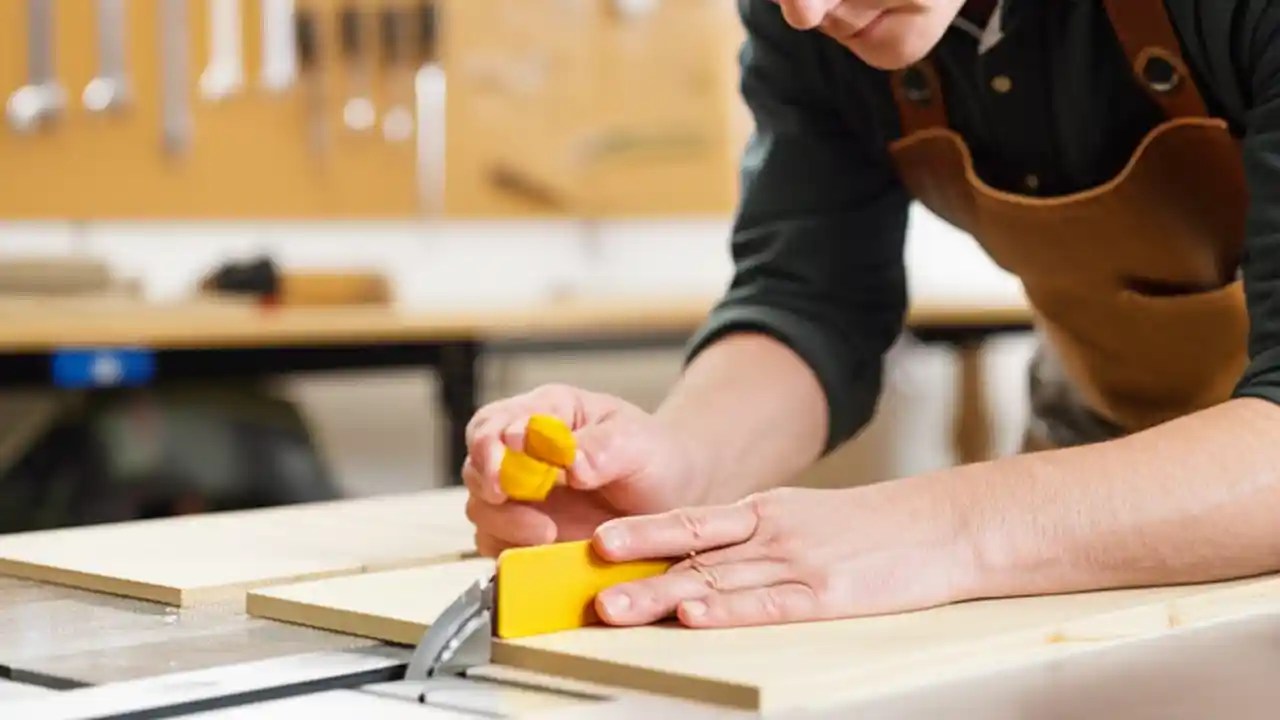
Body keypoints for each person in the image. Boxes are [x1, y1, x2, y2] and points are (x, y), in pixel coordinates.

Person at [462, 0, 1280, 630]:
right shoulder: (817, 21)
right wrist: (680, 464)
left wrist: (942, 529)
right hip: (1084, 483)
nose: (806, 14)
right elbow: (810, 298)